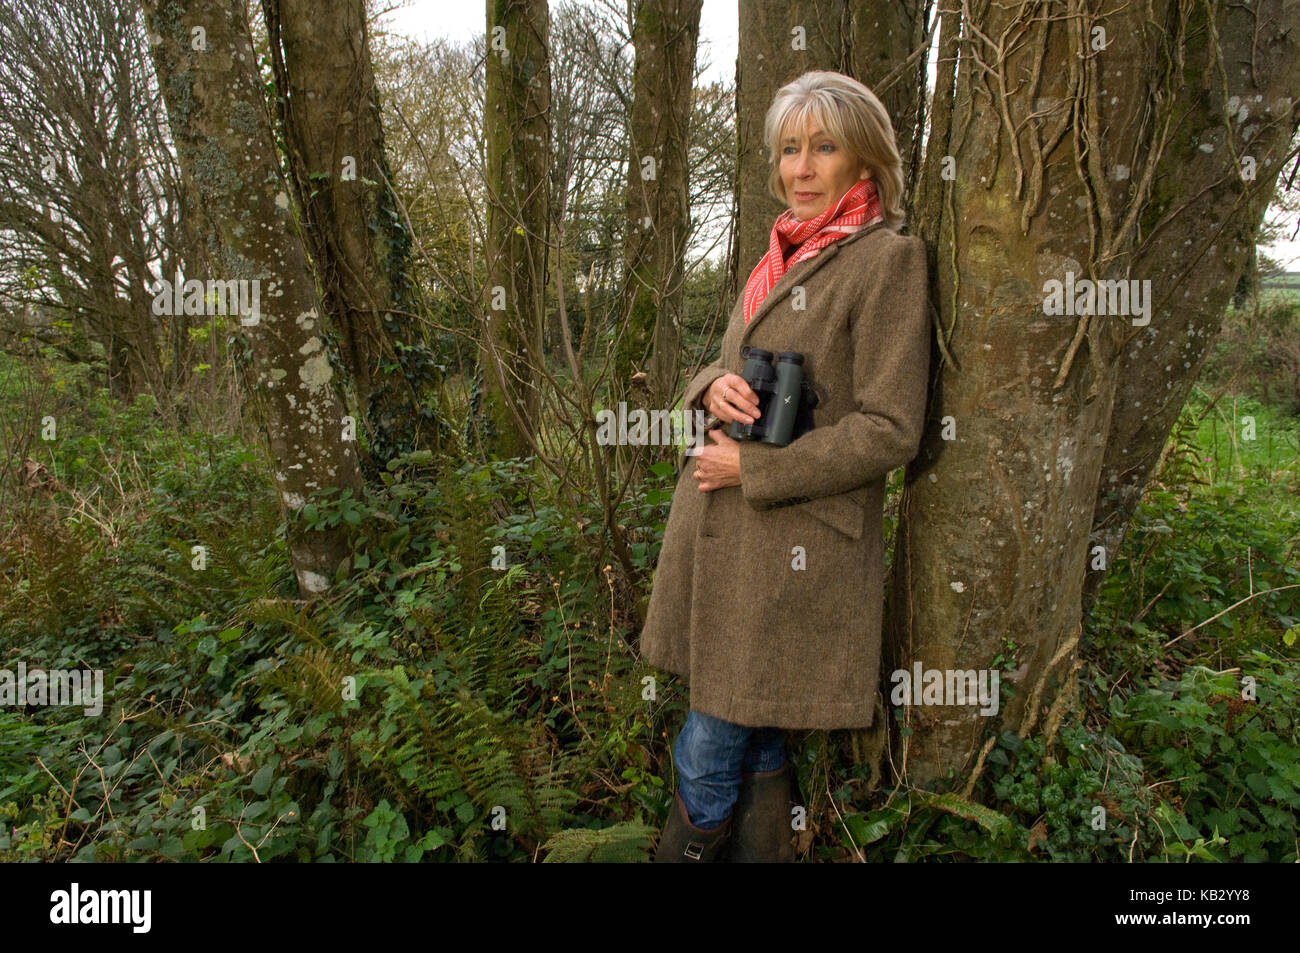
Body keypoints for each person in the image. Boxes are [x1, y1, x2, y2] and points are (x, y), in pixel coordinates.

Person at [639, 70, 933, 862]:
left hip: (791, 548)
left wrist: (756, 473)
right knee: (756, 731)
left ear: (865, 163)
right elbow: (728, 361)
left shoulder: (888, 262)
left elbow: (891, 427)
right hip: (726, 536)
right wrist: (712, 385)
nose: (799, 168)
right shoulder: (781, 251)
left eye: (823, 148)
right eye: (789, 149)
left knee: (708, 745)